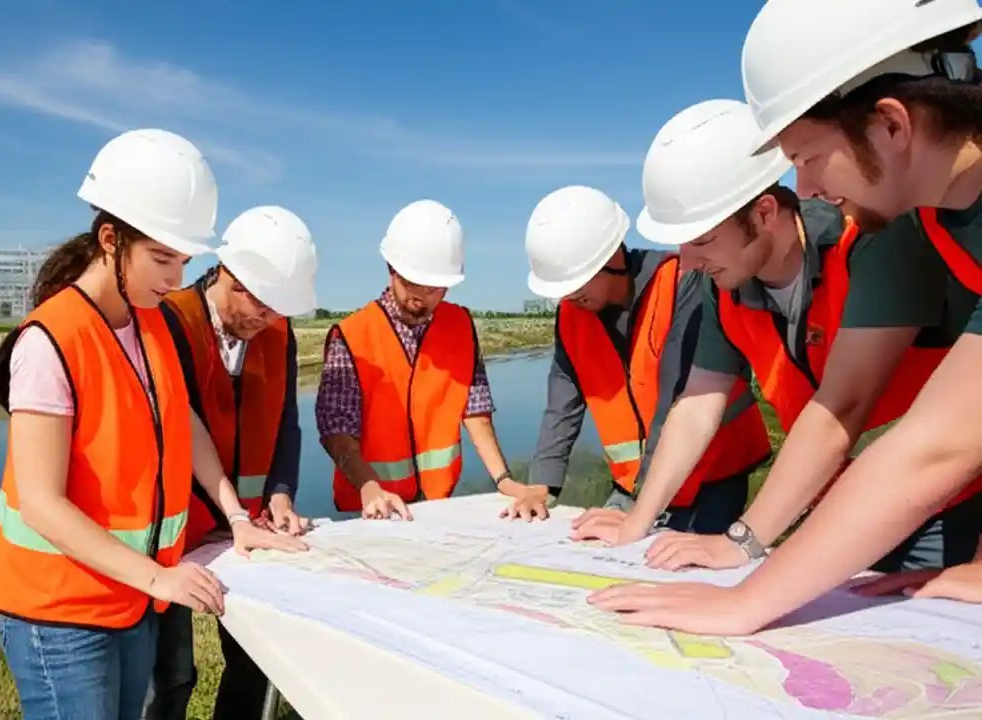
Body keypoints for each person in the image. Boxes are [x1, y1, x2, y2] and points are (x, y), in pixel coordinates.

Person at [589, 0, 982, 633]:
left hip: (932, 505)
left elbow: (936, 440)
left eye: (807, 155)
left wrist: (747, 596)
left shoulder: (886, 236)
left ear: (891, 125)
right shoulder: (936, 217)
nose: (800, 186)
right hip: (865, 510)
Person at [0, 128, 306, 720]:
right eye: (161, 258)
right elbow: (40, 503)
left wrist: (236, 518)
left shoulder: (150, 321)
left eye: (184, 260)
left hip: (129, 599)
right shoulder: (51, 342)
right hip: (60, 611)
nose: (176, 279)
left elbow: (185, 427)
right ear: (110, 239)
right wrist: (158, 581)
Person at [507, 185, 770, 531]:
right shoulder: (572, 315)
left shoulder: (682, 283)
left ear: (612, 258)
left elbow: (677, 402)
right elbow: (561, 406)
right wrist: (541, 483)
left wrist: (642, 509)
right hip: (633, 484)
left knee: (684, 569)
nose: (568, 296)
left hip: (713, 473)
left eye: (576, 283)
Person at [147, 206, 318, 720]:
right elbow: (176, 429)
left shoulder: (278, 332)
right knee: (172, 675)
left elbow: (286, 420)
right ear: (230, 275)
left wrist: (281, 491)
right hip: (175, 532)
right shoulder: (169, 321)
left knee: (255, 660)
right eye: (260, 306)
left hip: (248, 528)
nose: (265, 320)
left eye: (276, 311)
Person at [316, 199, 510, 520]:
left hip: (437, 507)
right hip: (368, 510)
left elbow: (476, 412)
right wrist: (369, 487)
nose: (421, 295)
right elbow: (337, 430)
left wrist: (504, 481)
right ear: (391, 268)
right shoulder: (351, 335)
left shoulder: (460, 325)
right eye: (411, 282)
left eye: (434, 288)